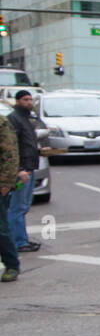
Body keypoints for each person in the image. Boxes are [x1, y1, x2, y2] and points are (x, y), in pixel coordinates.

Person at [6, 90, 41, 251]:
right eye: (25, 99)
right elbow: (11, 148)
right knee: (17, 207)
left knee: (24, 206)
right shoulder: (14, 119)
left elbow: (27, 143)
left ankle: (22, 239)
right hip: (22, 172)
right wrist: (19, 169)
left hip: (30, 168)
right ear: (18, 101)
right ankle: (18, 242)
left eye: (30, 99)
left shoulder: (27, 118)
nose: (29, 102)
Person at [0, 112, 20, 282]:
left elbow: (10, 152)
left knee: (1, 229)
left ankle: (11, 265)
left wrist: (6, 182)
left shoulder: (1, 122)